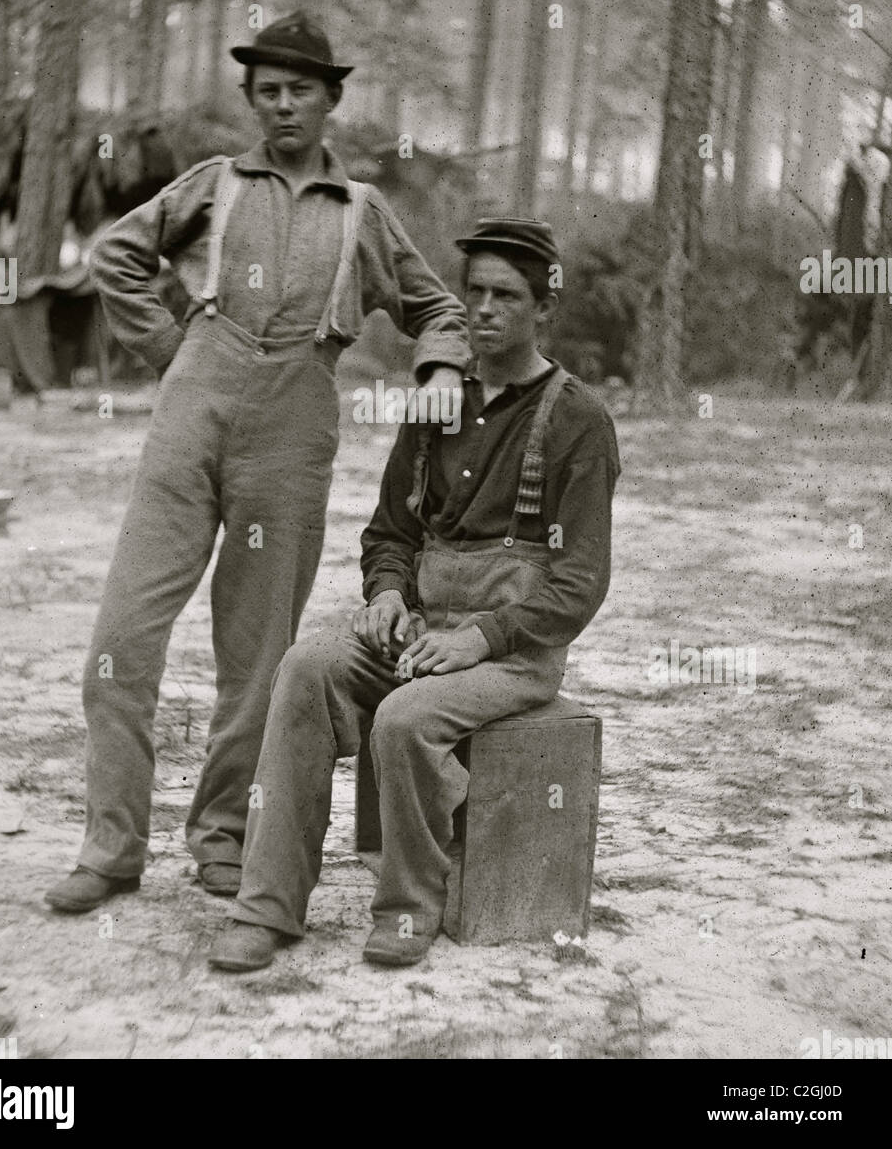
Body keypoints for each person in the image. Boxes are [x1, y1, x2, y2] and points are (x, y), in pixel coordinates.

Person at [45, 12, 469, 913]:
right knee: (120, 641)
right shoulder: (211, 186)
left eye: (300, 91)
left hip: (293, 427)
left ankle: (222, 835)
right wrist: (170, 351)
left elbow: (438, 308)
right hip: (190, 413)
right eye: (267, 91)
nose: (282, 105)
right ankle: (111, 845)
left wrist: (437, 371)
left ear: (329, 103)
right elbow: (118, 254)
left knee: (257, 658)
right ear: (250, 99)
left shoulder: (361, 212)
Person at [208, 217, 620, 972]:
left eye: (505, 295)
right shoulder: (435, 406)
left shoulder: (578, 420)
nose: (483, 310)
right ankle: (267, 904)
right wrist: (388, 593)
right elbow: (389, 532)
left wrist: (481, 637)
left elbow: (579, 580)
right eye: (473, 294)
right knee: (305, 669)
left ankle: (408, 904)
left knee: (403, 718)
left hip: (514, 653)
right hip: (420, 631)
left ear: (543, 308)